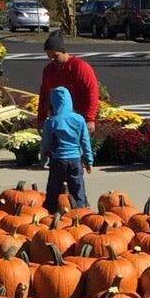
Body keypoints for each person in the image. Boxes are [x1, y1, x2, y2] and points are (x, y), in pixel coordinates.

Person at [38, 84, 94, 212]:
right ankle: (79, 215)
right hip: (75, 160)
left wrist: (43, 160)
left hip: (58, 161)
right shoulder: (79, 119)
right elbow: (85, 142)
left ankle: (50, 215)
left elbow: (45, 143)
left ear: (53, 103)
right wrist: (88, 161)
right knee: (78, 191)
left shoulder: (51, 121)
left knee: (53, 192)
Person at [38, 30, 100, 126]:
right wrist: (41, 120)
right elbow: (44, 95)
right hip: (58, 120)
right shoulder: (48, 70)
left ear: (63, 51)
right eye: (49, 57)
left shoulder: (80, 67)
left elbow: (92, 92)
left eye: (55, 56)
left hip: (80, 118)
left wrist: (90, 119)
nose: (52, 59)